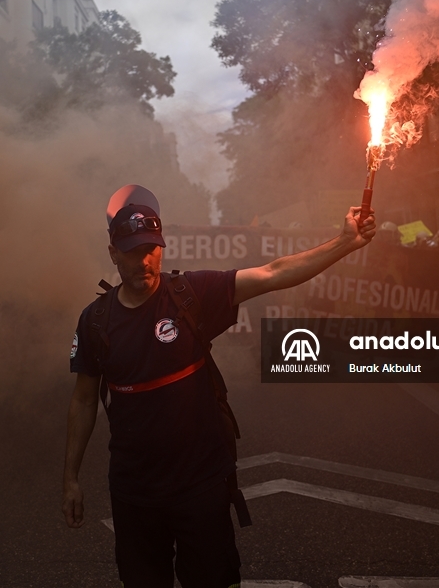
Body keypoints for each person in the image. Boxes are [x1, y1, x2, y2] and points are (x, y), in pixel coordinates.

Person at [62, 185, 376, 587]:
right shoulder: (95, 321)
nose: (144, 260)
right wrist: (71, 479)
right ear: (113, 253)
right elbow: (84, 401)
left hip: (201, 485)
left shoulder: (191, 294)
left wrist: (345, 243)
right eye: (132, 251)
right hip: (134, 494)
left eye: (151, 248)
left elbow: (274, 273)